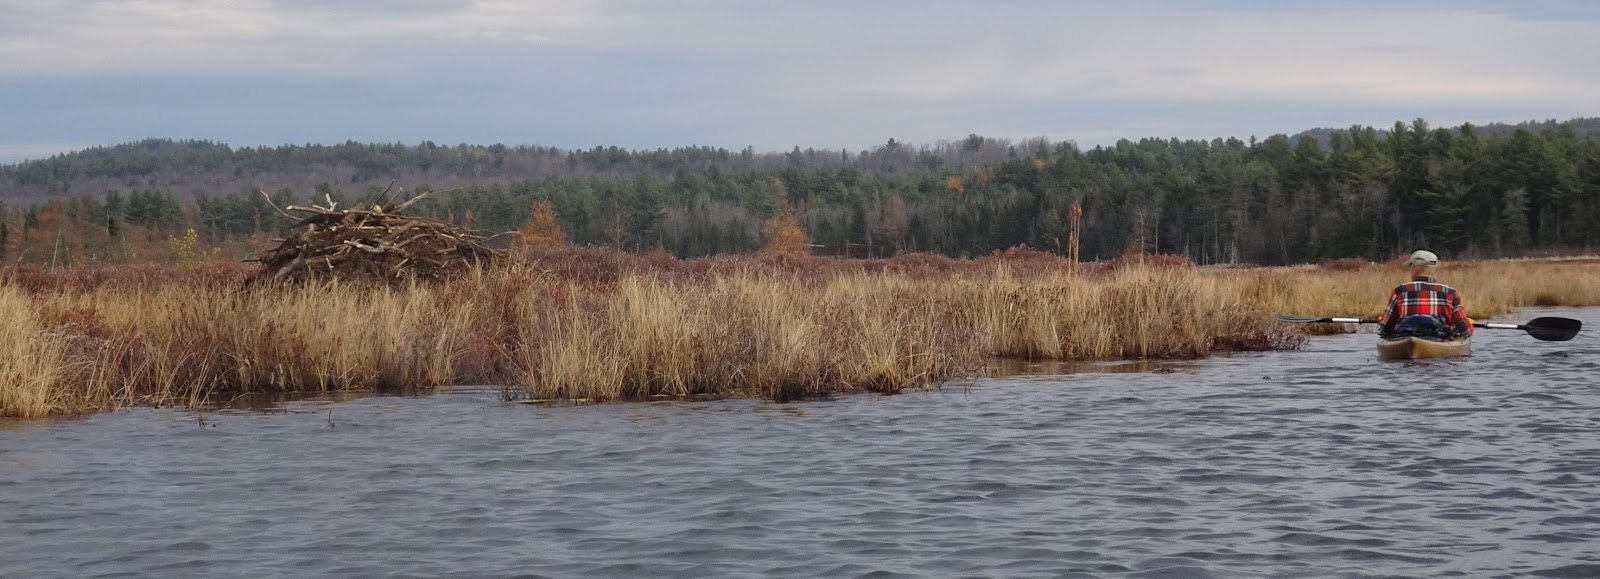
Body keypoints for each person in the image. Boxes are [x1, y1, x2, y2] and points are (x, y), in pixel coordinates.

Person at [1378, 250, 1472, 339]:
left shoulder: (1400, 291)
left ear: (1415, 268)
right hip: (1439, 339)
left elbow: (1384, 329)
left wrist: (1383, 326)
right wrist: (1467, 330)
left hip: (1405, 338)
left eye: (1411, 266)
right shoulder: (1450, 292)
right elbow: (1465, 331)